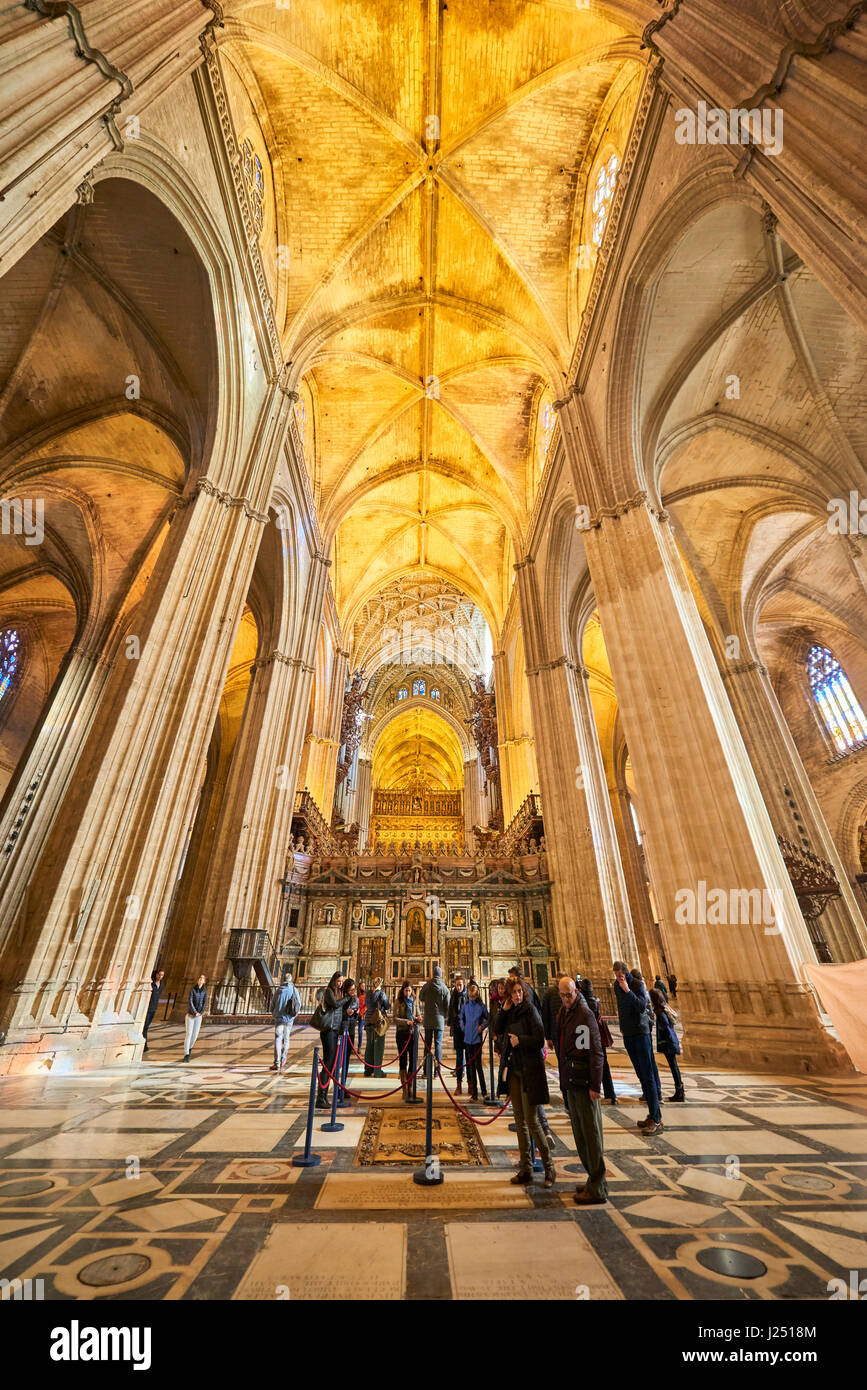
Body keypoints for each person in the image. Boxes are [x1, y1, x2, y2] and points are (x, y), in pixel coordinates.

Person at [494, 976, 555, 1188]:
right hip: (514, 1070)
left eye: (520, 991)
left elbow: (539, 1039)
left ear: (524, 992)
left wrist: (520, 1041)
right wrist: (504, 1008)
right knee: (520, 1122)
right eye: (514, 992)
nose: (518, 995)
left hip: (530, 1070)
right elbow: (497, 1028)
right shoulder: (510, 1011)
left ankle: (549, 1167)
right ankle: (526, 1168)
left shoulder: (531, 1010)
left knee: (532, 1121)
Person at [557, 977, 607, 1205]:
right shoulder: (566, 1013)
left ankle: (597, 1186)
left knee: (591, 1134)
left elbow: (594, 1052)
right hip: (572, 1081)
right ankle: (592, 1181)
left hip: (584, 1082)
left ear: (576, 992)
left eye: (568, 995)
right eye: (562, 995)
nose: (565, 999)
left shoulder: (584, 1014)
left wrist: (595, 1085)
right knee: (580, 1134)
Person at [612, 961, 662, 1133]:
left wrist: (627, 990)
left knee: (648, 1076)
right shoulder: (616, 986)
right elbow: (621, 1008)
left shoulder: (638, 985)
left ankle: (656, 1119)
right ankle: (652, 1113)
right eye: (616, 976)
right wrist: (622, 1027)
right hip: (628, 1034)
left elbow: (641, 1006)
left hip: (641, 1034)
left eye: (620, 975)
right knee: (641, 1075)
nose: (618, 979)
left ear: (625, 974)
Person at [578, 977, 617, 1104]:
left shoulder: (584, 1003)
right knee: (603, 1065)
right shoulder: (594, 1000)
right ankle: (610, 1094)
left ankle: (592, 1092)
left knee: (590, 1066)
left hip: (589, 1038)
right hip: (598, 1038)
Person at [630, 970, 664, 1108]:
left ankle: (655, 1093)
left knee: (648, 1063)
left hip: (643, 1030)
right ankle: (653, 1092)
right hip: (642, 1029)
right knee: (648, 1063)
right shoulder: (643, 991)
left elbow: (645, 1011)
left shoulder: (641, 992)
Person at [316, 971, 347, 1107]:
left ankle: (327, 1094)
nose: (340, 984)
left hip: (335, 1031)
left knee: (333, 1063)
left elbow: (340, 1011)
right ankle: (320, 1097)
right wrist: (348, 998)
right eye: (338, 981)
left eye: (341, 982)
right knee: (328, 1063)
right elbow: (335, 1005)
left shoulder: (339, 993)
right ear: (334, 980)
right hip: (328, 1031)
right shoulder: (329, 992)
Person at [650, 987, 685, 1101]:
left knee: (674, 1066)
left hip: (668, 1043)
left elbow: (665, 1027)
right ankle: (679, 1090)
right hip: (670, 1041)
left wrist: (666, 1041)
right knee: (674, 1066)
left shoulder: (660, 1013)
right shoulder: (664, 1008)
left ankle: (679, 1092)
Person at [459, 980, 489, 1099]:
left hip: (477, 1039)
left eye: (474, 996)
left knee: (478, 1065)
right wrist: (463, 1027)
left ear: (477, 995)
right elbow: (461, 1018)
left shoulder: (481, 1007)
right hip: (467, 1038)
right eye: (470, 996)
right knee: (470, 1066)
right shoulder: (465, 1006)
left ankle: (484, 1089)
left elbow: (488, 1019)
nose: (471, 998)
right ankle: (474, 1093)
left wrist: (482, 1026)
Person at [394, 980, 420, 1102]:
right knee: (403, 1059)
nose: (408, 993)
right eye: (406, 990)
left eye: (410, 991)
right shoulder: (398, 1002)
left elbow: (418, 1014)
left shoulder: (414, 1002)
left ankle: (410, 1085)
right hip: (402, 1033)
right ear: (402, 990)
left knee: (413, 1059)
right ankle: (404, 1087)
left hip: (413, 1033)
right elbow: (395, 1018)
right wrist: (406, 1022)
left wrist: (418, 1018)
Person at [419, 964, 450, 1065]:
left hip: (428, 1018)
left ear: (433, 974)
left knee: (427, 1045)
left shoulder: (427, 985)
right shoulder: (445, 988)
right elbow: (448, 1005)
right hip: (439, 1019)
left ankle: (425, 1071)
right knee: (438, 1045)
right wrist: (444, 1015)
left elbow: (421, 998)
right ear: (440, 975)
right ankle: (437, 1072)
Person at [270, 968, 300, 1072]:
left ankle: (276, 1063)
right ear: (290, 980)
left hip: (279, 1018)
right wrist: (293, 1016)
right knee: (286, 1039)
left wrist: (274, 1014)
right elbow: (298, 1004)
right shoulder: (293, 989)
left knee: (278, 1039)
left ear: (283, 979)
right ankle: (283, 1060)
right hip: (289, 1019)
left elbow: (272, 1004)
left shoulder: (278, 990)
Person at [363, 976, 390, 1077]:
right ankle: (377, 1072)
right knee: (378, 1047)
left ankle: (367, 1070)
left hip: (368, 1021)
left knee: (369, 1046)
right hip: (378, 1022)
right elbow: (387, 1006)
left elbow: (367, 1004)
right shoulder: (381, 993)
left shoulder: (368, 993)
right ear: (380, 984)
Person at [448, 974, 468, 1094]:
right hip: (457, 1028)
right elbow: (451, 1010)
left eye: (460, 985)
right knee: (459, 1054)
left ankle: (471, 1085)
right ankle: (459, 1085)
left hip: (466, 1029)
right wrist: (455, 1019)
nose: (458, 987)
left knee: (469, 1055)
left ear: (464, 984)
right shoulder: (453, 995)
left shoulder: (467, 996)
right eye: (457, 985)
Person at [183, 974, 206, 1062]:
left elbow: (204, 1003)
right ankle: (186, 1054)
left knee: (195, 1035)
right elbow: (190, 1001)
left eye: (202, 979)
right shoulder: (193, 990)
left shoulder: (204, 991)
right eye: (200, 978)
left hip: (198, 1016)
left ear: (204, 981)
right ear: (198, 980)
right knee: (189, 1034)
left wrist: (200, 1013)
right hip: (190, 1015)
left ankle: (189, 1048)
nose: (201, 980)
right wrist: (195, 1012)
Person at [142, 969, 164, 1053]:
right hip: (148, 1007)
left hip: (154, 1008)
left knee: (147, 1026)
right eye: (159, 975)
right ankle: (144, 1045)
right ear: (156, 974)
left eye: (162, 975)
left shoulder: (162, 984)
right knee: (145, 1026)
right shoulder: (151, 983)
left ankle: (144, 1044)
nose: (160, 977)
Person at [541, 974, 564, 1049]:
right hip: (556, 1032)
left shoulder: (549, 993)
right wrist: (548, 1037)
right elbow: (545, 1015)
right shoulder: (549, 993)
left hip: (563, 1032)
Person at [349, 975, 366, 1054]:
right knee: (352, 1030)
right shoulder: (356, 995)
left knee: (360, 1030)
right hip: (355, 1014)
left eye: (364, 986)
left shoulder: (366, 995)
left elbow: (366, 1005)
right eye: (362, 986)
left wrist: (362, 1012)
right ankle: (351, 1047)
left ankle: (359, 1047)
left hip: (361, 1014)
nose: (364, 987)